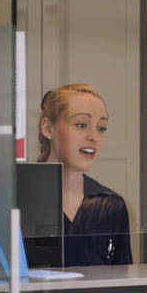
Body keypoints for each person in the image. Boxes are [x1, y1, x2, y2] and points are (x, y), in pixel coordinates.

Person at [38, 83, 132, 266]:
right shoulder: (18, 197)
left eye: (101, 128)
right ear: (48, 128)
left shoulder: (111, 204)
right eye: (81, 125)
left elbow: (123, 282)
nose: (94, 137)